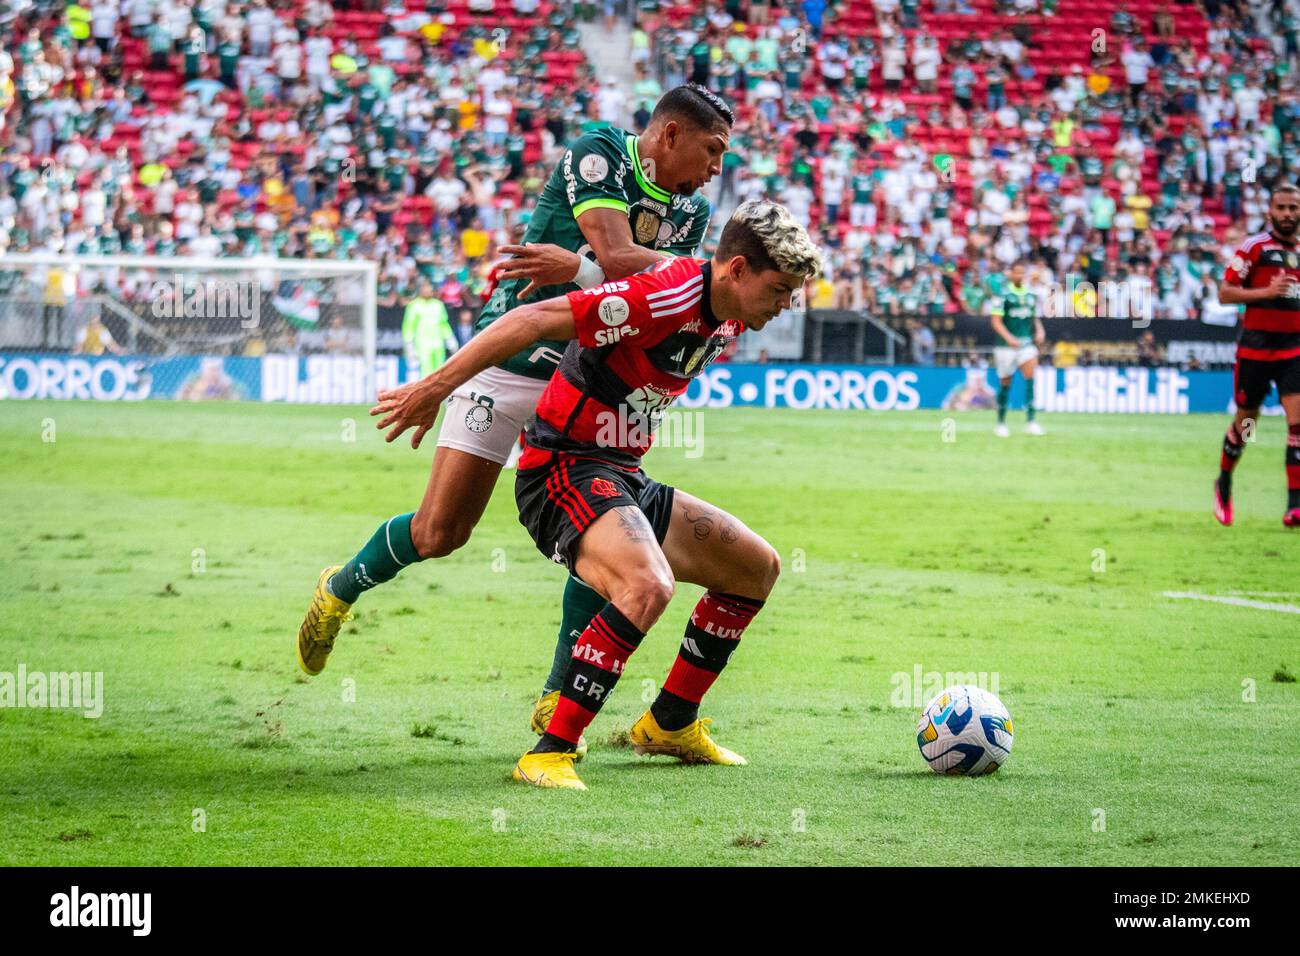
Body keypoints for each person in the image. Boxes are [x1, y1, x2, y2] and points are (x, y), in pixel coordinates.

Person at [295, 86, 734, 761]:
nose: (715, 169)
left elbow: (680, 291)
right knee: (441, 531)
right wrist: (607, 268)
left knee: (604, 524)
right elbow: (628, 265)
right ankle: (341, 586)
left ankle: (560, 692)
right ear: (671, 134)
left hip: (591, 377)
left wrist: (583, 269)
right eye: (712, 151)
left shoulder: (694, 210)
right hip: (514, 356)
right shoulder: (601, 154)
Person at [370, 200, 822, 789]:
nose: (786, 303)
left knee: (755, 568)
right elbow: (528, 323)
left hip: (620, 474)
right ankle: (548, 751)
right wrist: (433, 388)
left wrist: (582, 267)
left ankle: (668, 723)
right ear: (737, 270)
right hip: (562, 470)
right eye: (781, 288)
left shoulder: (727, 303)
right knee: (647, 585)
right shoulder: (665, 299)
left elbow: (638, 262)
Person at [1213, 184, 1300, 528]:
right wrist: (1267, 292)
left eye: (1293, 207)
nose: (1288, 214)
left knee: (1297, 426)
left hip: (1294, 350)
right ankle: (1224, 481)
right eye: (1282, 207)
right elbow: (1224, 293)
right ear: (1270, 212)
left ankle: (1294, 505)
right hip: (1256, 351)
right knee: (1247, 426)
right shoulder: (1254, 248)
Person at [990, 261, 1046, 436]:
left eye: (1023, 273)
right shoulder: (1002, 295)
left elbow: (1033, 317)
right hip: (1005, 346)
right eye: (1017, 273)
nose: (1020, 276)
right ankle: (1000, 422)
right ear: (1011, 274)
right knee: (1005, 383)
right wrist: (1009, 338)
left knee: (1030, 379)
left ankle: (1031, 421)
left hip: (1026, 344)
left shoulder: (1030, 295)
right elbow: (995, 321)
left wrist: (1039, 329)